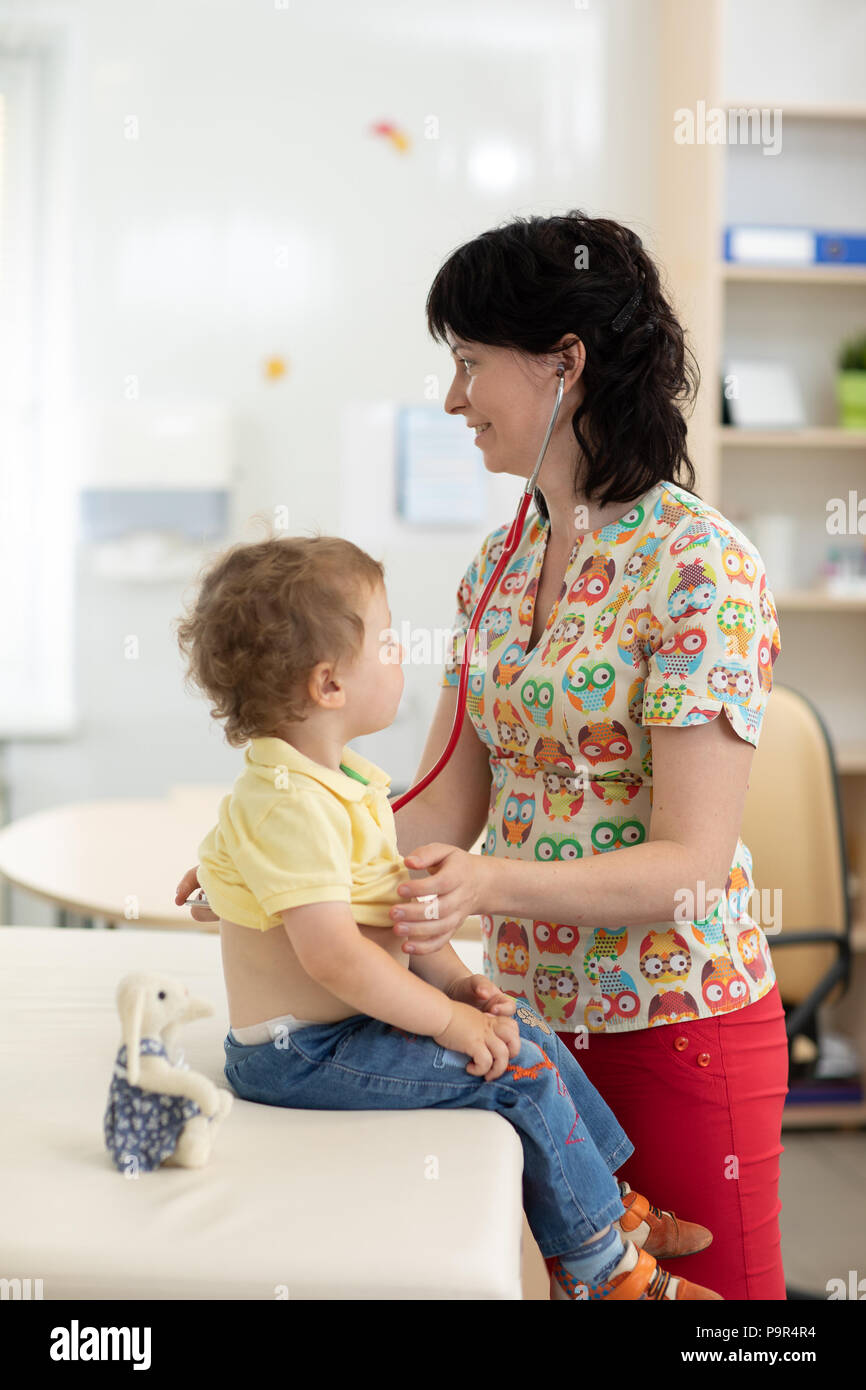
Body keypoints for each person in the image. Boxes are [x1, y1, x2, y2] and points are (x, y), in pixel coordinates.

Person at [379, 211, 789, 1299]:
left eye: (469, 363)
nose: (452, 398)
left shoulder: (701, 567)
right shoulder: (499, 560)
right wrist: (283, 854)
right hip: (531, 1029)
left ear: (565, 362)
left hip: (676, 1028)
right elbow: (433, 808)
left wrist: (487, 882)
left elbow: (687, 864)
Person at [173, 531, 725, 1300]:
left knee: (519, 1027)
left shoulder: (340, 785)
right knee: (516, 1074)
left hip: (342, 1031)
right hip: (298, 1052)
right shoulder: (291, 804)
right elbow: (336, 956)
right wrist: (443, 1022)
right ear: (330, 684)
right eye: (390, 642)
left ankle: (613, 1207)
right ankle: (605, 1273)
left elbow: (395, 914)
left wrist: (462, 989)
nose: (404, 655)